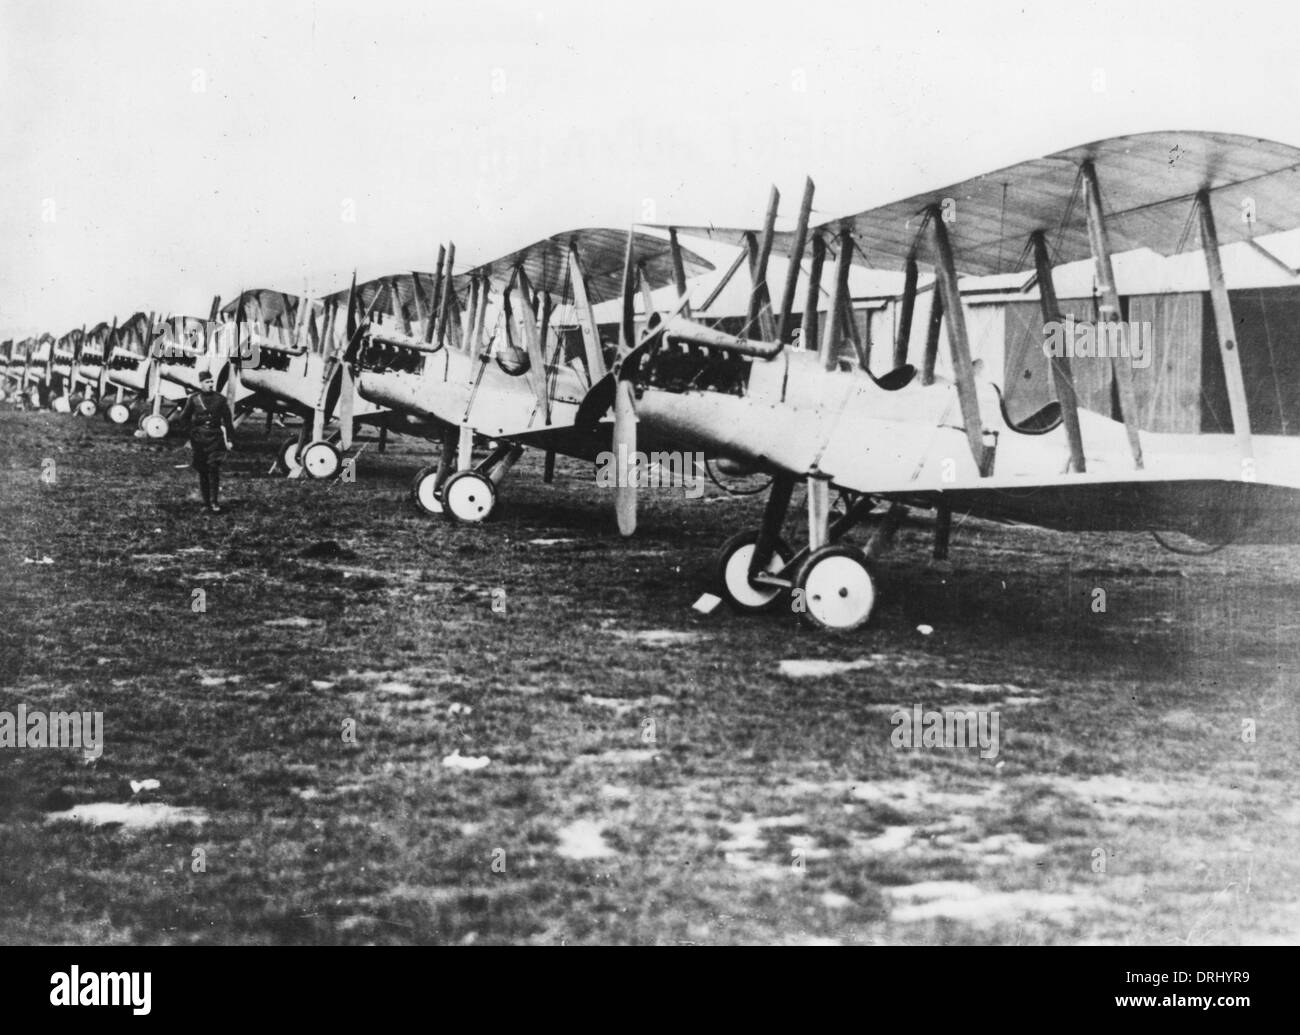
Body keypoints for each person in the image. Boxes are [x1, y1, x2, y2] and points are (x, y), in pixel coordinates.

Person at [175, 372, 235, 513]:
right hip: (199, 440)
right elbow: (183, 418)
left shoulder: (220, 399)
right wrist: (191, 432)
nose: (210, 384)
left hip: (215, 438)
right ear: (201, 383)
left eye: (211, 381)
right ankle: (206, 502)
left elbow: (228, 420)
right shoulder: (194, 399)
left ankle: (214, 502)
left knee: (213, 469)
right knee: (202, 471)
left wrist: (230, 439)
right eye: (207, 382)